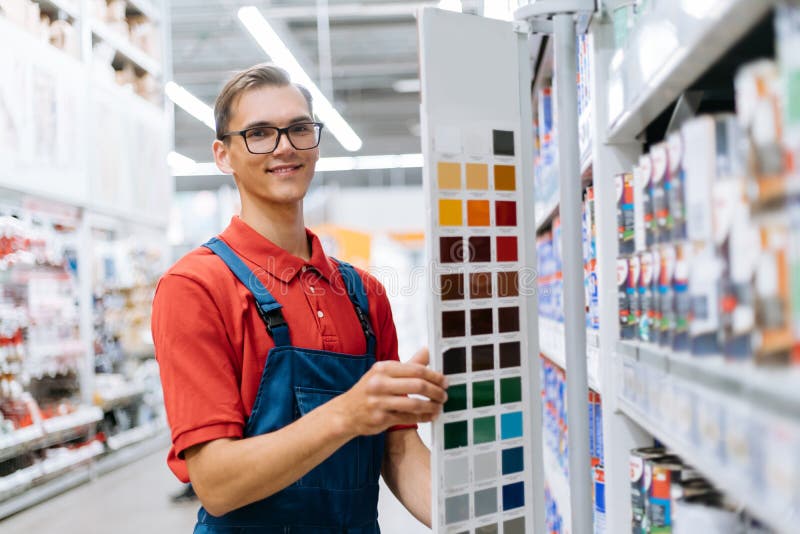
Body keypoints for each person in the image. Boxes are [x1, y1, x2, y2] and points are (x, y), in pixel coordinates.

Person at [151, 63, 448, 533]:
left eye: (299, 129)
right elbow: (217, 484)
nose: (284, 146)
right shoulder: (196, 287)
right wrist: (347, 414)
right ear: (223, 155)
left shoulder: (365, 296)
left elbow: (399, 449)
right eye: (259, 133)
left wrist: (479, 522)